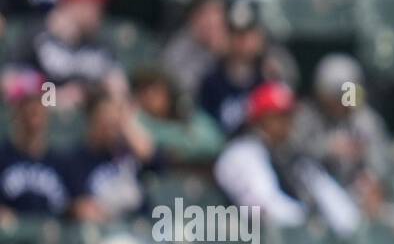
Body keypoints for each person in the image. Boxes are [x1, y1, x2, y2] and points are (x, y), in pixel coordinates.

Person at [213, 81, 361, 236]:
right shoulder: (241, 154)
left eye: (288, 116)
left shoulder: (295, 158)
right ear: (259, 119)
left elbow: (336, 203)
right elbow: (265, 207)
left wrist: (343, 224)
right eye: (278, 117)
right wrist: (310, 222)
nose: (286, 123)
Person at [291, 54, 389, 220]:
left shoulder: (365, 120)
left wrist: (371, 179)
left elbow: (378, 164)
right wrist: (327, 148)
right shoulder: (305, 116)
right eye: (335, 95)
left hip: (352, 191)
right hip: (310, 190)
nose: (341, 101)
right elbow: (291, 154)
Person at [8, 0, 125, 107]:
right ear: (76, 2)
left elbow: (121, 92)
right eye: (95, 5)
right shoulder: (36, 35)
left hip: (86, 122)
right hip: (43, 116)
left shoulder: (102, 43)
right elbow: (9, 84)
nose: (100, 14)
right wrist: (54, 96)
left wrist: (96, 94)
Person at [63, 87, 163, 223]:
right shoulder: (77, 160)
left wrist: (126, 125)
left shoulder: (129, 153)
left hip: (139, 227)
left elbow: (152, 158)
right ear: (92, 121)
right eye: (105, 119)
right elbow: (82, 208)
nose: (110, 126)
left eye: (113, 120)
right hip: (103, 230)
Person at [198, 0, 296, 136]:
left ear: (258, 36)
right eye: (236, 35)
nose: (243, 42)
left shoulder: (271, 75)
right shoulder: (211, 80)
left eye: (248, 35)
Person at [0, 68, 71, 222]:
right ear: (15, 110)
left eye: (40, 102)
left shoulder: (62, 162)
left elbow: (72, 208)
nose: (34, 109)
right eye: (27, 103)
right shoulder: (3, 157)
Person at [129, 66, 225, 166]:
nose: (151, 98)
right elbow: (154, 151)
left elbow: (216, 141)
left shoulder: (185, 108)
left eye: (156, 91)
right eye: (145, 93)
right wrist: (188, 139)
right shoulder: (139, 121)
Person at [161, 0, 229, 99]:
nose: (212, 20)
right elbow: (180, 89)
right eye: (205, 14)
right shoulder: (177, 50)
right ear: (192, 18)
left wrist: (221, 53)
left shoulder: (232, 41)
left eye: (217, 13)